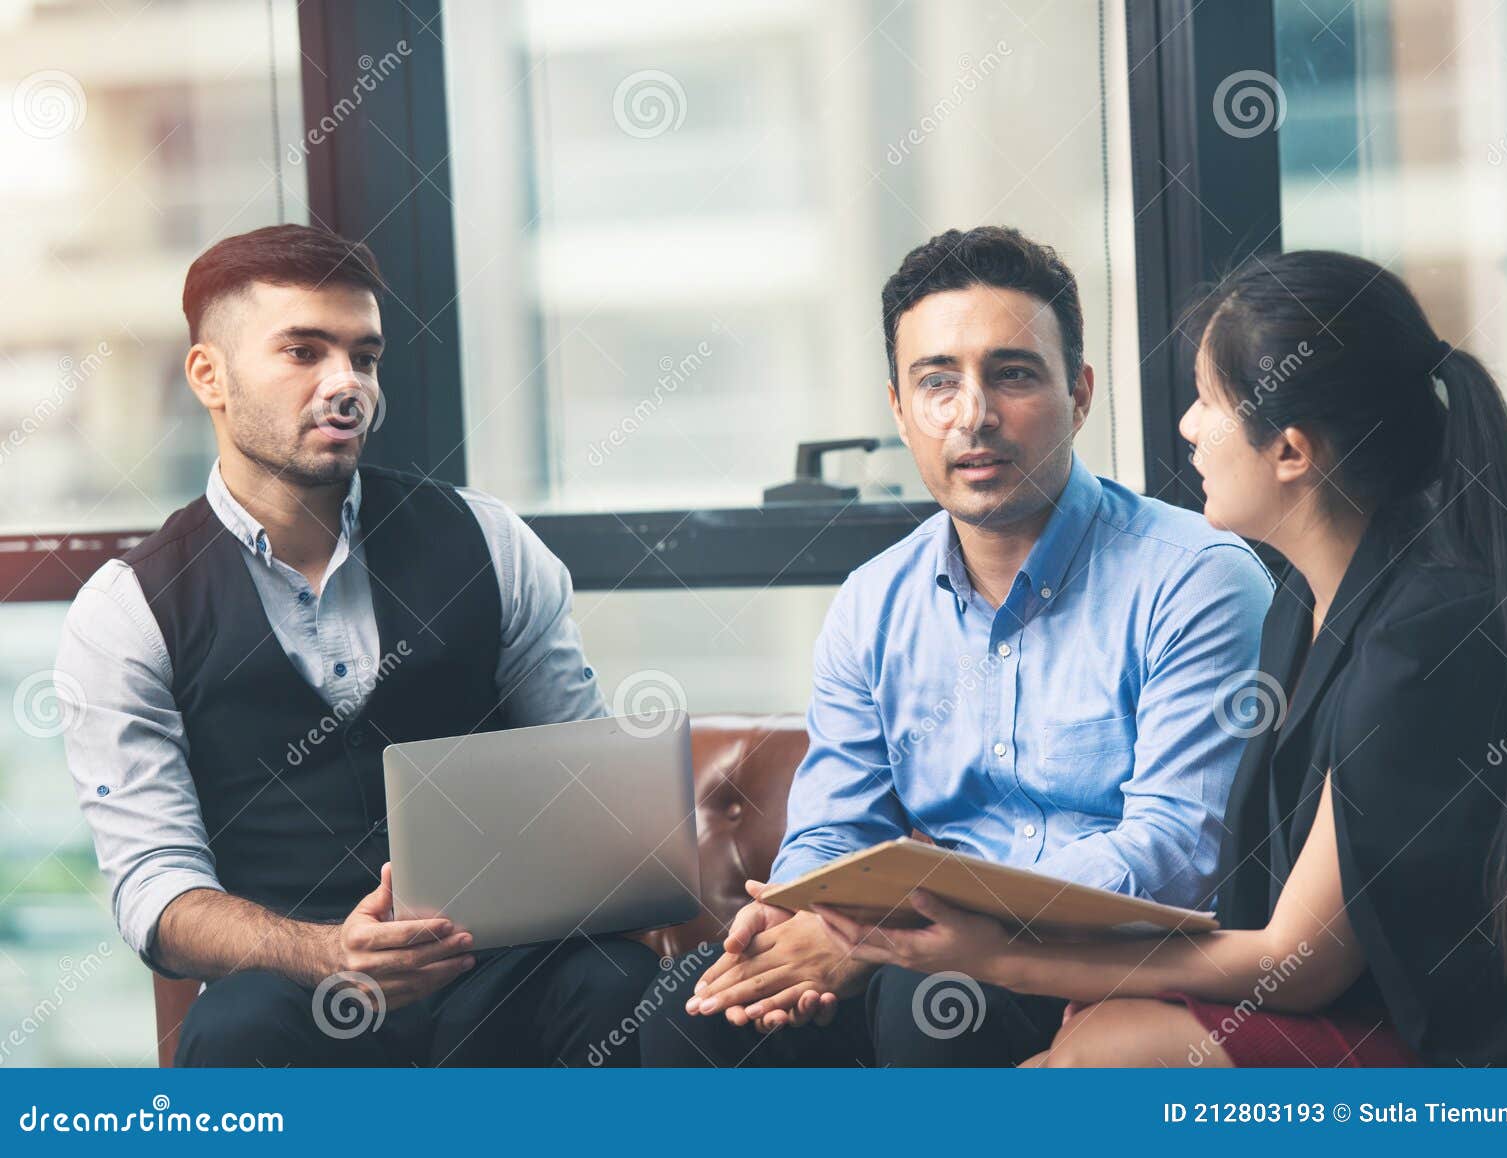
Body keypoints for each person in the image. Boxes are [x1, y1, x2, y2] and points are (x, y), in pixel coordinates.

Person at [814, 249, 1507, 1067]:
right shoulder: (1304, 602)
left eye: (1208, 401)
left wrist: (996, 957)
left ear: (1290, 451)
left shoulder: (1423, 635)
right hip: (1324, 999)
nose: (1186, 425)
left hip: (1431, 1042)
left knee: (1091, 1058)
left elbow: (1304, 959)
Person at [639, 226, 1274, 1067]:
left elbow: (1175, 852)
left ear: (1080, 394)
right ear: (900, 410)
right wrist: (796, 916)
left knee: (937, 1001)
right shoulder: (874, 604)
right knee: (692, 1007)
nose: (972, 414)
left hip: (1110, 964)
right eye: (937, 382)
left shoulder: (1195, 577)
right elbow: (832, 831)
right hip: (913, 951)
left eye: (1012, 374)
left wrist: (901, 929)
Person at [56, 224, 659, 1066]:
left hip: (499, 979)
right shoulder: (128, 613)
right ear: (211, 377)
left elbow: (593, 792)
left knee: (614, 983)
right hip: (298, 992)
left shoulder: (489, 542)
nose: (345, 384)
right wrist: (321, 951)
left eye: (364, 358)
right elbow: (156, 887)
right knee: (235, 1031)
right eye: (303, 352)